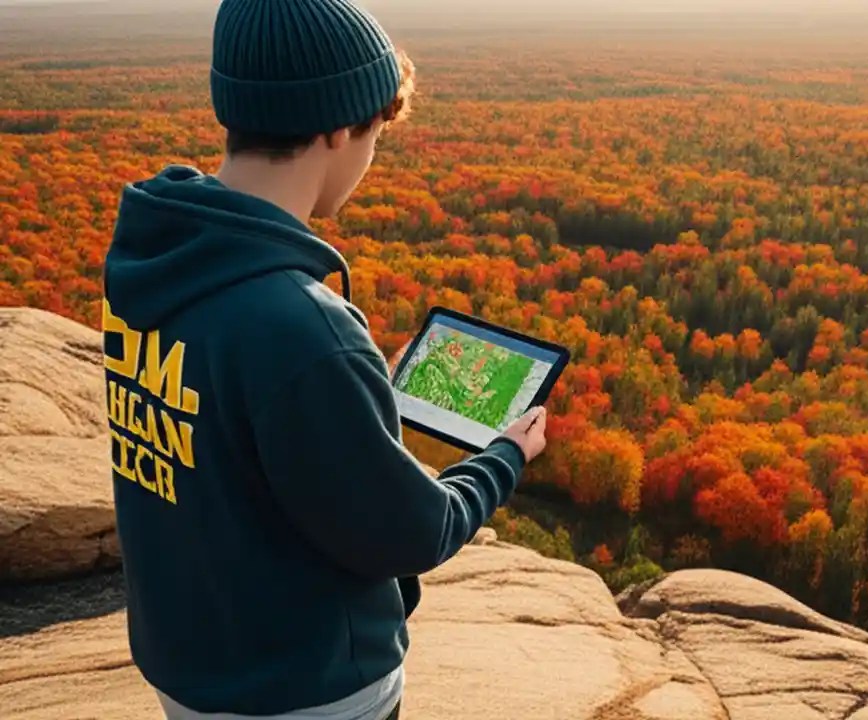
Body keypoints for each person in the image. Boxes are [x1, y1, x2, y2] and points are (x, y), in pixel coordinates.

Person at [101, 1, 547, 718]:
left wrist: (352, 384)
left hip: (189, 668)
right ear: (339, 127)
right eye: (374, 134)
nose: (371, 156)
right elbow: (412, 531)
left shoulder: (156, 264)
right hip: (308, 690)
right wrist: (505, 455)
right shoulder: (299, 327)